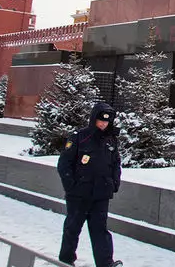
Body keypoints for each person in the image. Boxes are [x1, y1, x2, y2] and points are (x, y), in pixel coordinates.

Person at [57, 102, 123, 267]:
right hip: (79, 194)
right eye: (101, 120)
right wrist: (72, 187)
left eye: (107, 121)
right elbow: (64, 164)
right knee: (73, 228)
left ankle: (106, 263)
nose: (103, 124)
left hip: (101, 194)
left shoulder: (111, 140)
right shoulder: (79, 137)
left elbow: (116, 164)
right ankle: (66, 259)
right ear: (94, 119)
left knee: (100, 230)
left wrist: (114, 183)